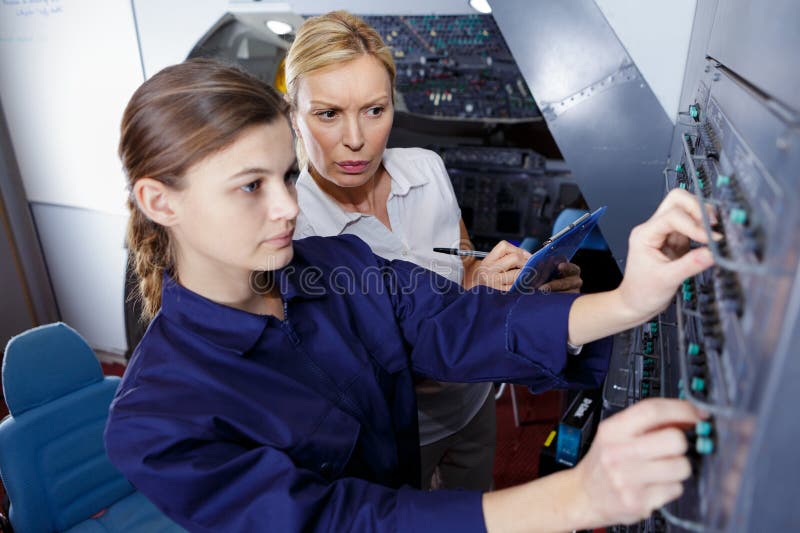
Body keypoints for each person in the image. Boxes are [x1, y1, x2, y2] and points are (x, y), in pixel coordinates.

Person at [105, 58, 714, 533]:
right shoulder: (156, 421)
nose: (288, 207)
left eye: (288, 176)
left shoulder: (339, 266)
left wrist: (632, 300)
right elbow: (333, 522)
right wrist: (578, 497)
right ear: (161, 202)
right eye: (250, 186)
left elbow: (461, 324)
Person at [285, 11, 582, 491]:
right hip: (397, 434)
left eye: (374, 110)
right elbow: (351, 373)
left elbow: (463, 264)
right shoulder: (293, 230)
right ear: (293, 117)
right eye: (328, 114)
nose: (356, 139)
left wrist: (515, 283)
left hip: (473, 399)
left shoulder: (427, 168)